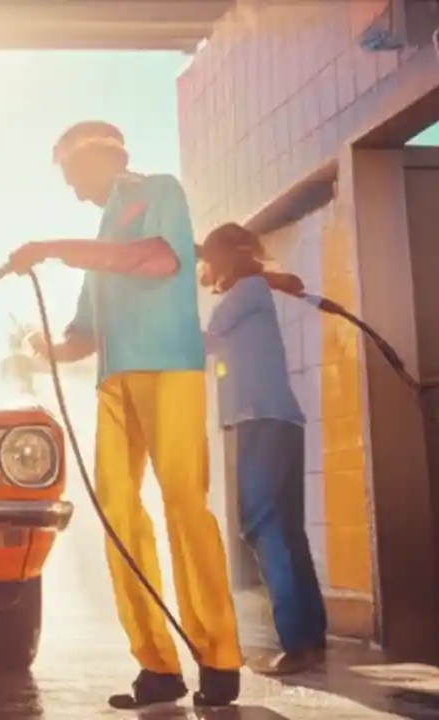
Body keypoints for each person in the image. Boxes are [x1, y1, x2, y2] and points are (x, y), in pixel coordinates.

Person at [8, 121, 243, 709]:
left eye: (71, 172)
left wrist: (55, 248)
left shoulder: (157, 191)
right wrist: (48, 347)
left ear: (101, 157)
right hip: (116, 383)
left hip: (170, 369)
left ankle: (218, 656)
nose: (70, 187)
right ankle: (156, 666)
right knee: (116, 509)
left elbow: (159, 261)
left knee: (183, 501)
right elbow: (84, 333)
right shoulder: (98, 243)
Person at [199, 222, 327, 675]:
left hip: (261, 421)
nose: (207, 269)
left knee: (263, 526)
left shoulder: (244, 292)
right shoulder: (254, 291)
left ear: (226, 256)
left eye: (211, 259)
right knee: (288, 529)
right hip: (281, 421)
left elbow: (202, 345)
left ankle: (296, 640)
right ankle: (311, 638)